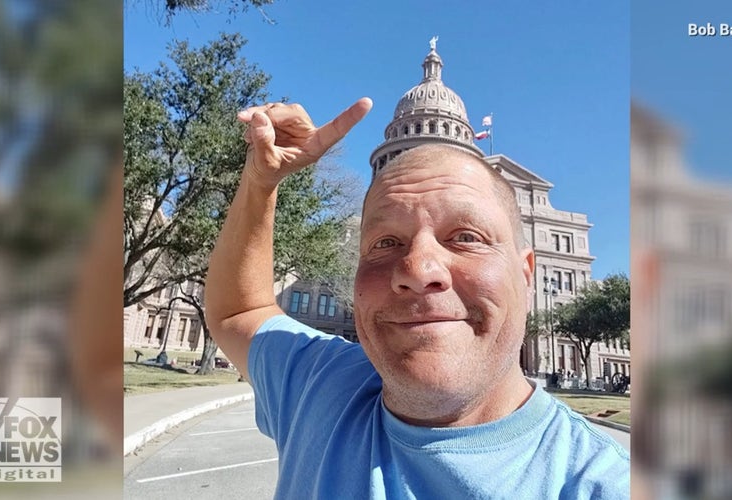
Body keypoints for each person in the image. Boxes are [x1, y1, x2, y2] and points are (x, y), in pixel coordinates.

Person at [205, 98, 629, 498]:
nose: (418, 270)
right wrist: (260, 183)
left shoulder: (605, 484)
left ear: (526, 274)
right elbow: (238, 311)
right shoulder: (320, 386)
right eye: (386, 242)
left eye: (466, 237)